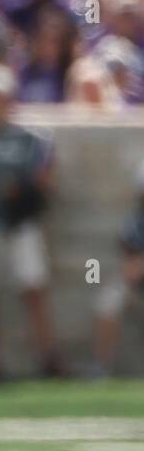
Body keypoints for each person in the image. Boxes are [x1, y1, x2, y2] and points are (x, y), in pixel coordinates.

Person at [0, 63, 62, 381]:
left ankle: (47, 356)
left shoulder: (33, 136)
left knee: (33, 288)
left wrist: (21, 190)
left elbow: (46, 180)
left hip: (20, 221)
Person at [91, 160, 144, 375]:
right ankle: (101, 367)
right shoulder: (134, 222)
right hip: (137, 287)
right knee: (109, 299)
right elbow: (129, 266)